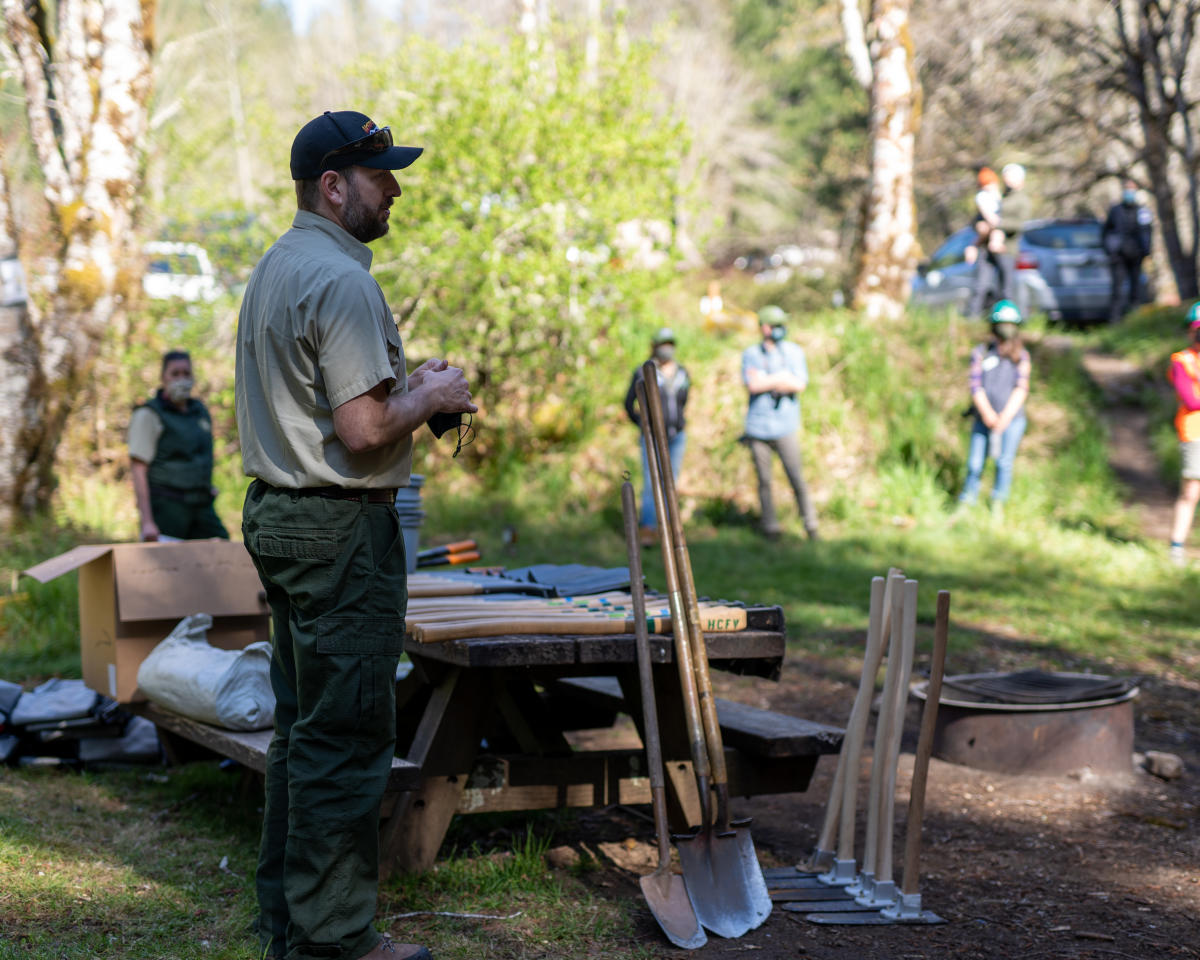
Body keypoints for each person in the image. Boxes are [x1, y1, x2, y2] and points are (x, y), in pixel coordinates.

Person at [235, 109, 476, 960]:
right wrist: (432, 398)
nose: (397, 189)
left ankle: (290, 924)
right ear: (333, 187)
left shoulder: (279, 264)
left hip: (283, 517)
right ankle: (334, 941)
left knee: (303, 735)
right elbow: (366, 431)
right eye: (382, 177)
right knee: (343, 741)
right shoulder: (341, 281)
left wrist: (407, 386)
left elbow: (327, 405)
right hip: (337, 532)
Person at [127, 349, 229, 541]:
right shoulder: (149, 415)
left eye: (186, 373)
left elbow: (199, 456)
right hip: (167, 507)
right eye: (175, 373)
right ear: (163, 377)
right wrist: (147, 521)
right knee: (169, 568)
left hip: (201, 506)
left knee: (223, 554)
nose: (181, 379)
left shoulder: (199, 411)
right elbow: (138, 468)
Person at [740, 305, 818, 540]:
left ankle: (811, 525)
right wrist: (782, 377)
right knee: (764, 480)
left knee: (796, 477)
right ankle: (770, 527)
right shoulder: (751, 354)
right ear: (765, 327)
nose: (781, 329)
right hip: (758, 427)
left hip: (785, 426)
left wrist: (768, 380)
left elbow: (799, 383)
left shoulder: (793, 351)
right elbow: (753, 385)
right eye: (776, 325)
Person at [956, 299, 1032, 517]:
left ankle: (998, 503)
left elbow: (1021, 388)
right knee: (975, 463)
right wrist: (988, 413)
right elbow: (975, 386)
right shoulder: (981, 352)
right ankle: (967, 501)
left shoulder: (1021, 356)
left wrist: (1005, 418)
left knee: (1004, 462)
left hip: (1012, 420)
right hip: (983, 418)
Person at [624, 326, 690, 546]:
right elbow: (628, 403)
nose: (667, 348)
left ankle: (671, 529)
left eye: (670, 344)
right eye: (663, 344)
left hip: (676, 434)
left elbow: (683, 400)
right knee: (653, 480)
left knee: (671, 480)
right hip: (652, 436)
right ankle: (649, 527)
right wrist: (643, 423)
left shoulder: (682, 372)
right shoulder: (643, 372)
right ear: (654, 346)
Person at [968, 163, 1033, 318]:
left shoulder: (1022, 200)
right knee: (980, 285)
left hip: (1006, 249)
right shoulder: (999, 196)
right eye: (1006, 176)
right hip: (987, 247)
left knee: (1005, 288)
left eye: (1011, 177)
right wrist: (979, 226)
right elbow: (978, 218)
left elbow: (1020, 224)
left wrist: (998, 224)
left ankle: (1006, 320)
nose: (1007, 180)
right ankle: (974, 318)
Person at [1167, 303, 1200, 565]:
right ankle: (1177, 546)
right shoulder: (1181, 360)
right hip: (1193, 433)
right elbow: (1190, 400)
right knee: (1191, 491)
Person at [1102, 178, 1154, 324]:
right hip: (1118, 256)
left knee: (1136, 288)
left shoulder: (1142, 210)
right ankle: (1115, 320)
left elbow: (1148, 231)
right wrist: (1110, 250)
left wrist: (1146, 250)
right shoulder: (1116, 210)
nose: (1129, 193)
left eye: (1132, 190)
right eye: (1127, 189)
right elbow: (1105, 232)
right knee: (1117, 288)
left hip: (1136, 254)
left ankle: (1135, 320)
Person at [964, 167, 1004, 267]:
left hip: (995, 220)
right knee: (987, 229)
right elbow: (987, 214)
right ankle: (974, 247)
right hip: (987, 221)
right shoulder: (982, 197)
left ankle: (995, 244)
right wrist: (996, 223)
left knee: (996, 231)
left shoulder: (996, 194)